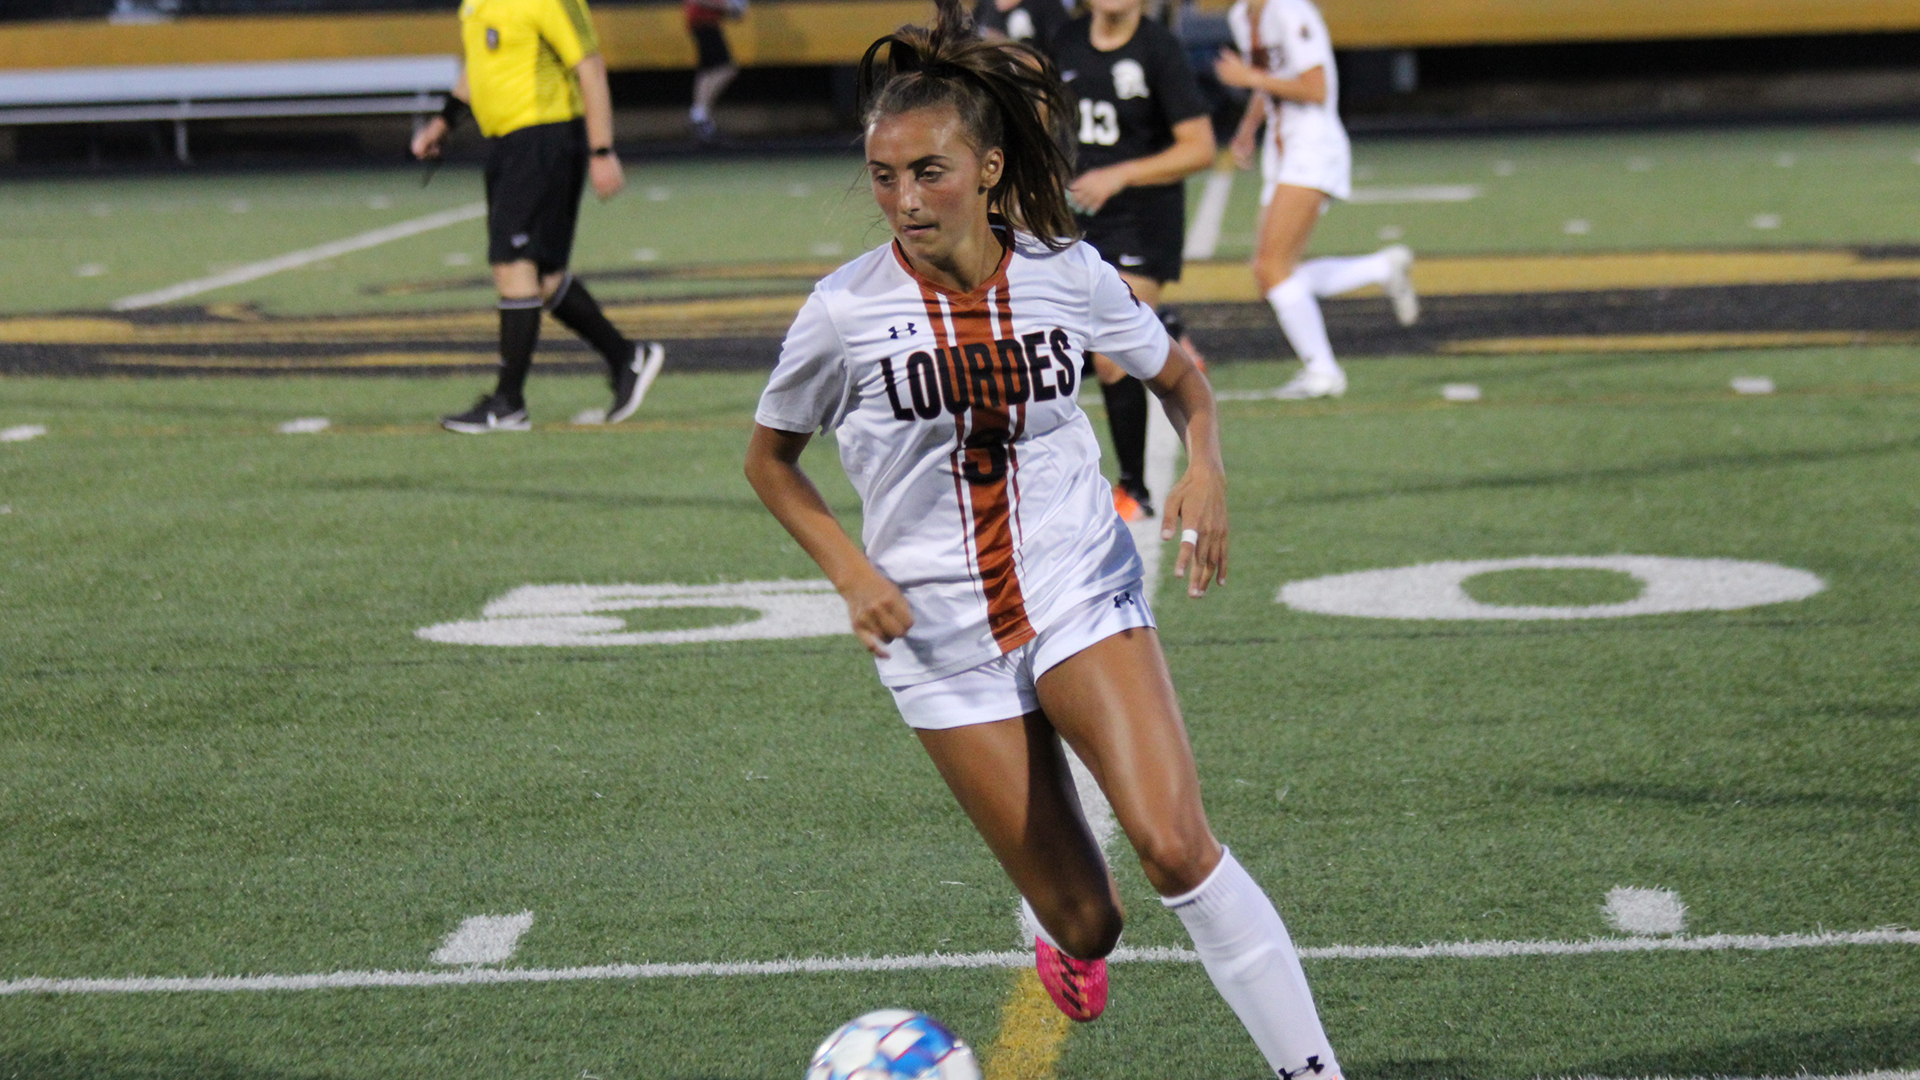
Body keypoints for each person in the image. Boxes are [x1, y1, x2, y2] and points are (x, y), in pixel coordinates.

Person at [743, 3, 1345, 1075]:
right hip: (938, 633)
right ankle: (1057, 922)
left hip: (1076, 584)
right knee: (1089, 923)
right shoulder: (841, 311)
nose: (904, 198)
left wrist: (1204, 468)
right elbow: (769, 461)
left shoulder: (1067, 272)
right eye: (883, 176)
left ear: (984, 167)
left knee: (1174, 846)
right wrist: (850, 571)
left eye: (928, 171)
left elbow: (1181, 380)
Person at [412, 0, 665, 433]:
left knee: (513, 266)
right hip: (508, 143)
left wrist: (601, 149)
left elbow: (590, 67)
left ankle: (508, 402)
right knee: (541, 275)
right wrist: (444, 123)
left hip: (543, 138)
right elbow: (481, 66)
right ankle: (626, 357)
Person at [1047, 0, 1215, 520]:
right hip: (1077, 220)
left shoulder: (1158, 50)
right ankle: (1161, 325)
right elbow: (1046, 126)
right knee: (1056, 348)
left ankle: (1133, 490)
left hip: (1142, 220)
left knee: (1110, 353)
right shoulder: (1066, 42)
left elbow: (1200, 148)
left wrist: (1120, 174)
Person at [1214, 0, 1417, 399]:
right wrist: (1247, 127)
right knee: (1270, 275)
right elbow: (1269, 80)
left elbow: (1315, 87)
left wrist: (1248, 76)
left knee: (1272, 269)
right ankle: (1381, 267)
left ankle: (1324, 372)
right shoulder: (1242, 15)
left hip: (1312, 145)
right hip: (1283, 149)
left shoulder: (1290, 10)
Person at [685, 0, 745, 143]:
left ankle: (700, 117)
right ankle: (699, 115)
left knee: (707, 70)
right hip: (704, 22)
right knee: (725, 68)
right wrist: (728, 6)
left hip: (703, 22)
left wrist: (732, 9)